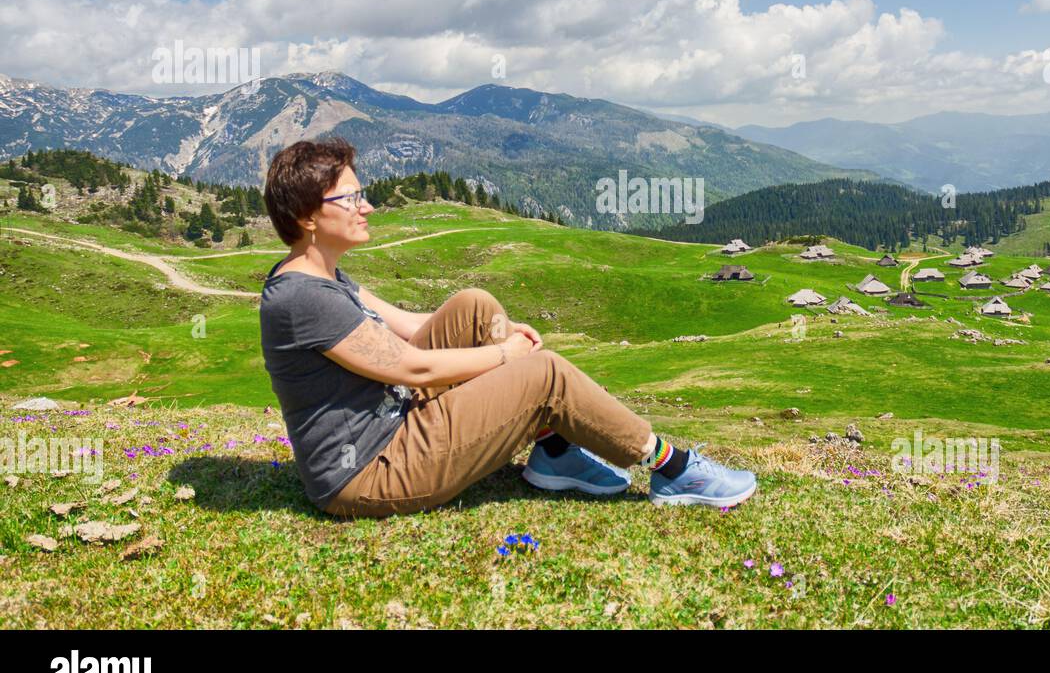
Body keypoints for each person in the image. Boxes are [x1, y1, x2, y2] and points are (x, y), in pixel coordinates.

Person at [258, 137, 757, 518]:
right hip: (370, 471)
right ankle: (671, 468)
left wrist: (499, 330)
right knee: (545, 375)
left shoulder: (319, 273)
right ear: (307, 216)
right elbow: (415, 366)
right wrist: (509, 359)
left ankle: (554, 451)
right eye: (350, 199)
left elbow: (411, 329)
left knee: (475, 305)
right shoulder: (303, 297)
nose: (366, 207)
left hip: (392, 425)